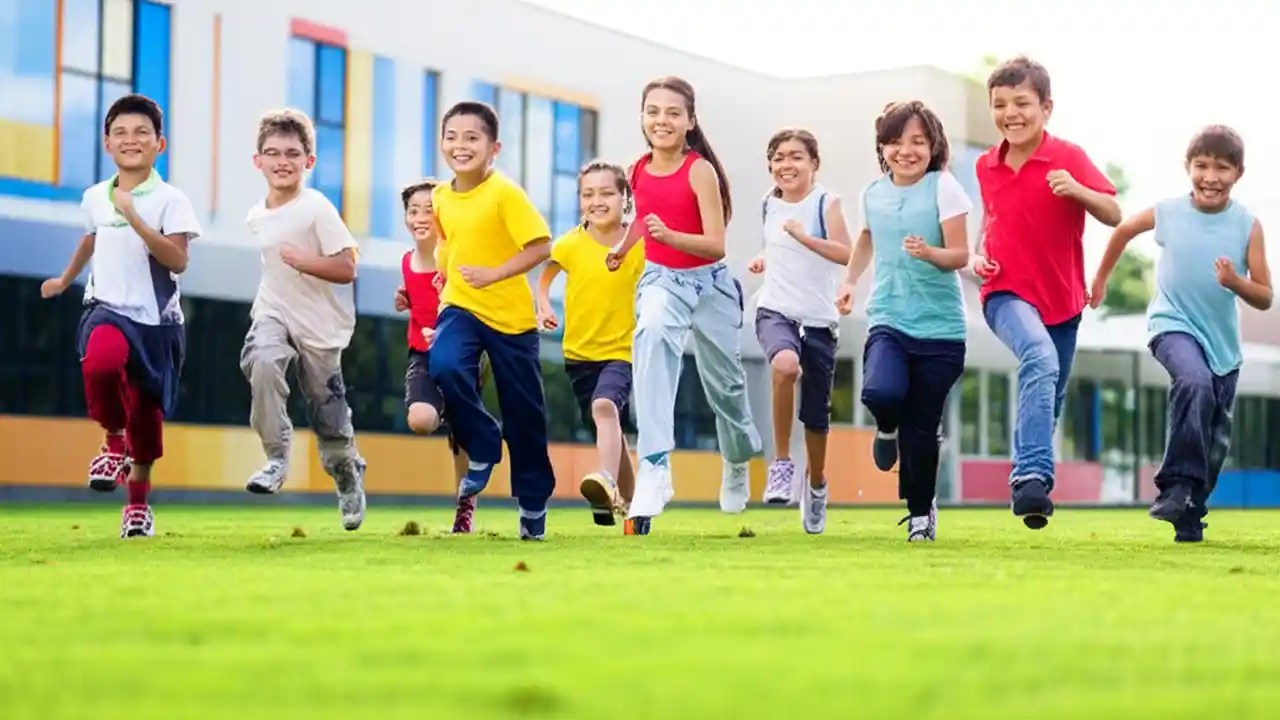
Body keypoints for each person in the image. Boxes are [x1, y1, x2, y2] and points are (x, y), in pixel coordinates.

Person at [1089, 125, 1272, 542]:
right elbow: (1122, 230)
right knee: (1193, 382)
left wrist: (1235, 282)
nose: (1210, 176)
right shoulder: (1169, 211)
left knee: (1214, 438)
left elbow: (1264, 296)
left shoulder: (1248, 225)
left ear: (1238, 174)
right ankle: (1176, 484)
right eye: (1201, 165)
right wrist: (1100, 280)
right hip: (1171, 325)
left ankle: (1190, 509)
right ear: (1187, 167)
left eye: (1222, 168)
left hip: (1223, 346)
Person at [605, 76, 763, 535]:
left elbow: (715, 245)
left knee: (726, 387)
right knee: (651, 333)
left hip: (708, 284)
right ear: (642, 118)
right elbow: (642, 222)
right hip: (661, 281)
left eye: (673, 113)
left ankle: (736, 458)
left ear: (690, 121)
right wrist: (624, 246)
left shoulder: (699, 171)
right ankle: (654, 465)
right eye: (653, 111)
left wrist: (669, 237)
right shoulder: (636, 169)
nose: (662, 120)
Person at [40, 93, 202, 538]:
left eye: (141, 133)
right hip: (106, 309)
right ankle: (113, 441)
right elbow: (92, 240)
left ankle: (137, 508)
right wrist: (64, 278)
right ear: (107, 143)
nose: (131, 140)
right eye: (121, 133)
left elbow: (178, 261)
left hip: (157, 324)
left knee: (147, 421)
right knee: (100, 363)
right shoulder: (95, 196)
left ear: (159, 145)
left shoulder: (172, 200)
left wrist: (135, 218)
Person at [972, 56, 1121, 529]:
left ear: (1046, 107)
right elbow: (990, 220)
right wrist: (977, 257)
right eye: (1000, 104)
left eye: (1022, 103)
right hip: (1005, 292)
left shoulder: (1068, 157)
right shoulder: (985, 165)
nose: (1010, 113)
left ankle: (1031, 478)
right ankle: (1031, 478)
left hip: (1062, 299)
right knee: (1038, 358)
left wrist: (1077, 190)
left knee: (1051, 392)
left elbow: (1114, 213)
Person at [835, 101, 973, 542]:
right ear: (882, 147)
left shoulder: (944, 187)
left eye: (917, 141)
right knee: (880, 391)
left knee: (923, 431)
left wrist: (930, 253)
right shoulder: (872, 193)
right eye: (895, 142)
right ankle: (885, 426)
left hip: (941, 330)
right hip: (889, 317)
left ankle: (920, 515)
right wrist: (850, 281)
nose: (906, 151)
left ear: (933, 146)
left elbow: (960, 254)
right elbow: (867, 237)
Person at [428, 101, 556, 541]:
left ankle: (533, 505)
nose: (460, 146)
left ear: (493, 147)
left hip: (510, 318)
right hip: (460, 304)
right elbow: (449, 243)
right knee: (443, 365)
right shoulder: (440, 197)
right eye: (452, 137)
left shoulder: (505, 193)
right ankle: (483, 442)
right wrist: (442, 272)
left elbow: (541, 246)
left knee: (525, 415)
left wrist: (494, 274)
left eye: (472, 138)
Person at [239, 108, 366, 532]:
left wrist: (305, 261)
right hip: (273, 311)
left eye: (292, 153)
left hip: (321, 328)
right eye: (272, 153)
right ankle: (276, 459)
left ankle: (347, 474)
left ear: (308, 161)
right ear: (257, 161)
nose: (282, 161)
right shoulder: (256, 214)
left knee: (328, 415)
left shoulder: (317, 208)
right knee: (262, 361)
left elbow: (348, 268)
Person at [747, 128, 852, 533]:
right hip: (776, 310)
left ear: (814, 164)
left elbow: (845, 253)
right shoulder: (768, 203)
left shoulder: (826, 202)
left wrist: (804, 237)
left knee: (815, 415)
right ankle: (781, 464)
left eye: (795, 157)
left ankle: (818, 484)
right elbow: (774, 244)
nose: (785, 165)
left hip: (819, 320)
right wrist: (762, 258)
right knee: (785, 366)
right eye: (777, 157)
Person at [536, 161, 644, 528]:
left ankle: (607, 481)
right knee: (607, 425)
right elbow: (545, 275)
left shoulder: (638, 244)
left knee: (605, 406)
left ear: (624, 197)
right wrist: (543, 302)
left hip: (623, 352)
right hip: (579, 355)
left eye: (606, 193)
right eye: (588, 194)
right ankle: (632, 509)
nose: (597, 201)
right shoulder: (569, 243)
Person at [393, 178, 489, 534]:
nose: (420, 218)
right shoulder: (406, 262)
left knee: (462, 438)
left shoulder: (455, 258)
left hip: (460, 357)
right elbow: (418, 300)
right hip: (421, 355)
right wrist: (405, 298)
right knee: (420, 420)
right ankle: (450, 411)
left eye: (428, 211)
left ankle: (465, 509)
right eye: (412, 211)